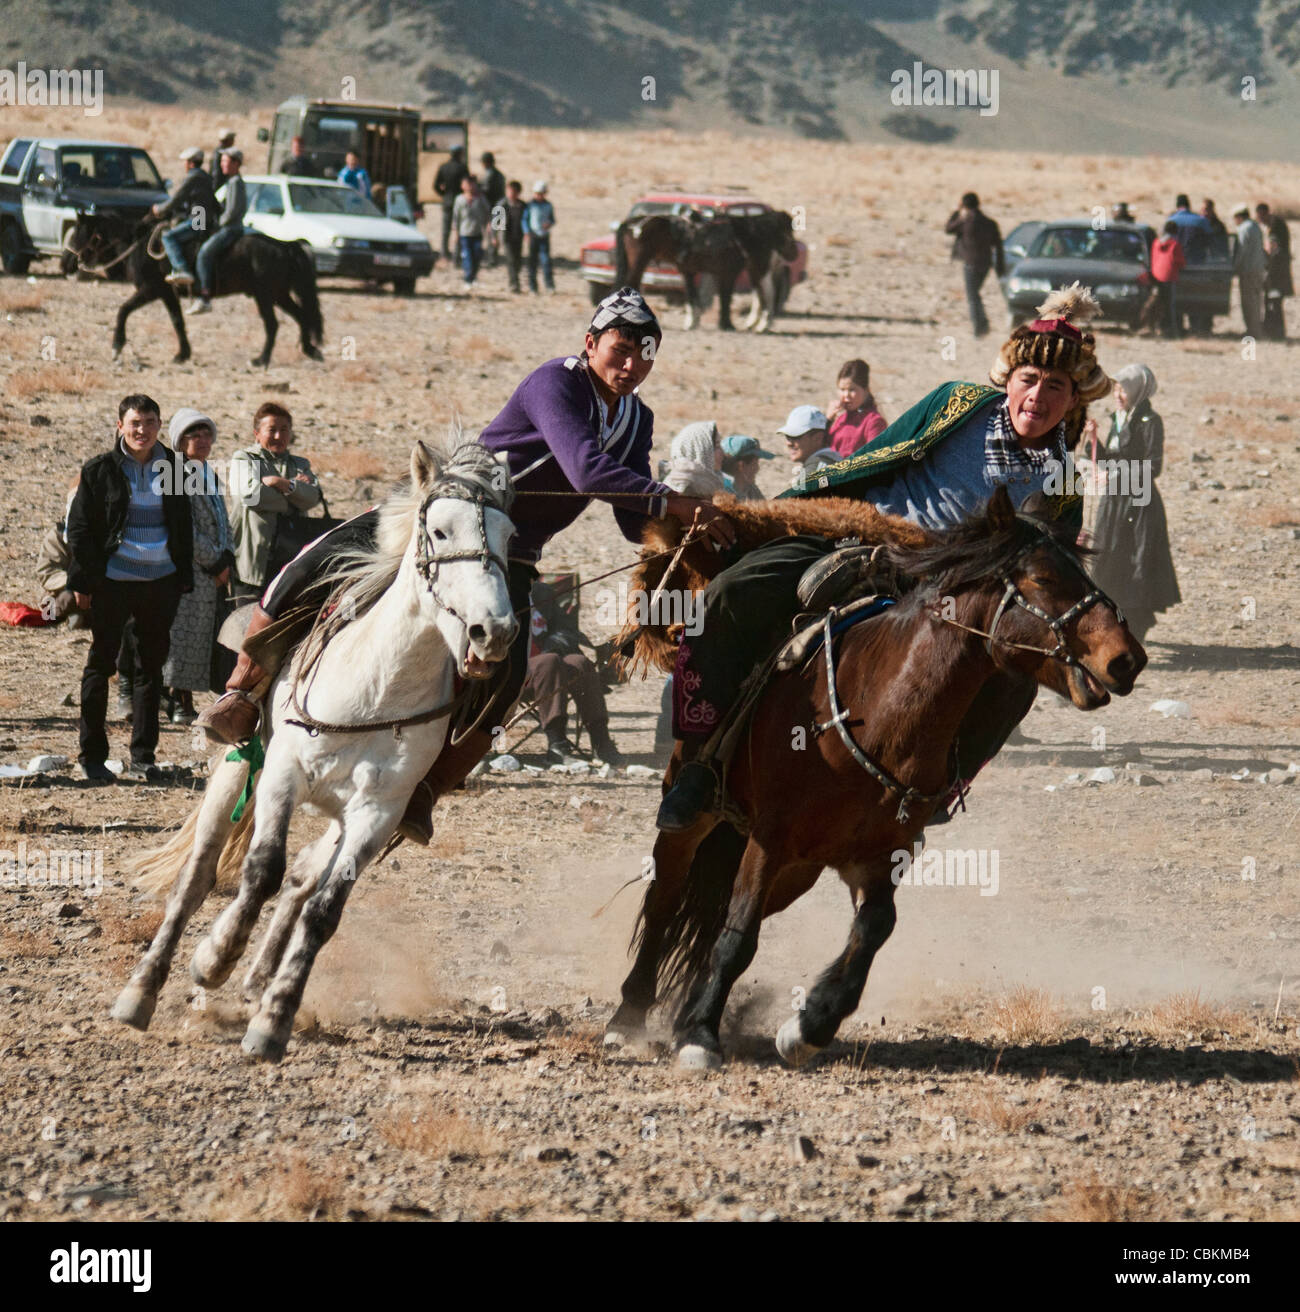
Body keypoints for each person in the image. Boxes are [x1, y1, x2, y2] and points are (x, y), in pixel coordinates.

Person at [195, 288, 733, 847]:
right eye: (621, 349)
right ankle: (241, 692)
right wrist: (671, 502)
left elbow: (629, 515)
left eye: (645, 354)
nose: (631, 364)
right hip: (449, 519)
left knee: (507, 679)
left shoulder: (636, 417)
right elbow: (585, 471)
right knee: (311, 566)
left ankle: (427, 788)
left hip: (511, 555)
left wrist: (676, 534)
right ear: (591, 342)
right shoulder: (556, 381)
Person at [656, 285, 1112, 831]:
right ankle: (697, 763)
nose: (1037, 396)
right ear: (1009, 381)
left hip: (953, 590)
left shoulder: (1061, 481)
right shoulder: (958, 404)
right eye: (1028, 380)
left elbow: (1045, 577)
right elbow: (878, 455)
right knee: (733, 591)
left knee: (1015, 688)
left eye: (1054, 386)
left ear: (1073, 399)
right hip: (865, 535)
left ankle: (939, 787)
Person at [67, 395, 193, 783]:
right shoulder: (98, 470)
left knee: (150, 670)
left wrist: (182, 577)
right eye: (135, 423)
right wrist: (83, 582)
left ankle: (143, 757)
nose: (143, 430)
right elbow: (80, 531)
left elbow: (181, 523)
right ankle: (91, 756)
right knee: (101, 664)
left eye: (151, 422)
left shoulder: (173, 467)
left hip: (160, 583)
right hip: (113, 583)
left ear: (159, 425)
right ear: (120, 425)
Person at [1084, 364, 1178, 644]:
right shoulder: (1118, 419)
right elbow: (1107, 460)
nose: (1117, 394)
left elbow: (1153, 467)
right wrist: (1093, 440)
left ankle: (1136, 625)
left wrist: (1114, 474)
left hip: (1139, 505)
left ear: (1138, 390)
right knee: (1107, 559)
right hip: (1114, 503)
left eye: (1123, 388)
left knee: (1137, 561)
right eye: (1116, 388)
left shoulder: (1151, 422)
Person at [162, 409, 234, 725]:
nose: (202, 440)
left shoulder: (208, 473)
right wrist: (214, 562)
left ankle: (183, 698)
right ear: (180, 440)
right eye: (194, 435)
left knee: (199, 637)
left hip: (214, 571)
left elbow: (223, 520)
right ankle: (177, 700)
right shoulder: (174, 472)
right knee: (182, 636)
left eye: (206, 434)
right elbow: (182, 528)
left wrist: (228, 559)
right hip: (190, 570)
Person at [226, 402, 321, 600]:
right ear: (257, 433)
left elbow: (313, 497)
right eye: (272, 430)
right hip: (251, 568)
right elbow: (251, 495)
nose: (278, 436)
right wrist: (295, 493)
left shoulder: (301, 464)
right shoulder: (244, 459)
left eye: (284, 430)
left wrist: (281, 484)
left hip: (290, 566)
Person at [525, 576, 623, 767]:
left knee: (580, 663)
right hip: (515, 670)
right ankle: (557, 744)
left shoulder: (542, 593)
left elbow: (566, 630)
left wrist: (553, 645)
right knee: (549, 662)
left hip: (549, 665)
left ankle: (601, 742)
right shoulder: (498, 594)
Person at [191, 148, 247, 315]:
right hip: (228, 226)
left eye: (226, 162)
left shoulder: (235, 182)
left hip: (231, 228)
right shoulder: (231, 181)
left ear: (236, 164)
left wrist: (218, 224)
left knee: (204, 254)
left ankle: (205, 295)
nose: (222, 165)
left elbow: (231, 211)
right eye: (221, 161)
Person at [155, 147, 218, 288]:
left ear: (190, 163)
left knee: (167, 237)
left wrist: (160, 209)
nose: (184, 165)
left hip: (197, 221)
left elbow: (177, 198)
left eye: (185, 162)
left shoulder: (193, 177)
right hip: (205, 219)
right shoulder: (205, 177)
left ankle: (181, 269)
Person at [945, 191, 1005, 337]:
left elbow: (948, 228)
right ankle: (983, 324)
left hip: (971, 264)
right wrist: (1000, 267)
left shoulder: (965, 222)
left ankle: (980, 329)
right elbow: (998, 246)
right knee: (975, 295)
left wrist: (957, 212)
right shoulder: (990, 223)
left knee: (972, 297)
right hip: (985, 264)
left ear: (964, 205)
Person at [826, 359, 887, 457]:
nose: (846, 395)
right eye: (842, 389)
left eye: (852, 390)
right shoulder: (840, 419)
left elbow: (875, 459)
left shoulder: (874, 422)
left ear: (866, 390)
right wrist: (828, 420)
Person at [1138, 220, 1185, 338]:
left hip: (1155, 277)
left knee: (1155, 303)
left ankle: (1150, 326)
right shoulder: (1175, 244)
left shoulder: (1156, 243)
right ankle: (1168, 330)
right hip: (1169, 278)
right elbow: (1180, 262)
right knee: (1169, 305)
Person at [1257, 203, 1292, 341]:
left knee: (1274, 301)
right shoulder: (1273, 225)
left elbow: (1273, 251)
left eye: (1261, 217)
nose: (1260, 220)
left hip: (1276, 274)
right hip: (1274, 272)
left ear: (1265, 213)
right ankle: (1272, 331)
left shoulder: (1276, 228)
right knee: (1271, 301)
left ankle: (1276, 333)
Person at [661, 421, 726, 497]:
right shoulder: (682, 486)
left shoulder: (712, 480)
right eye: (717, 446)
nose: (723, 453)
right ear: (702, 449)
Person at [1232, 203, 1267, 340]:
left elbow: (1242, 251)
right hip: (1259, 269)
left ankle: (1252, 331)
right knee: (1257, 301)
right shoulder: (1255, 227)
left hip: (1248, 271)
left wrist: (1235, 267)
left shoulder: (1244, 229)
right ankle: (1256, 329)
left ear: (1239, 217)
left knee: (1248, 302)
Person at [778, 406, 837, 484]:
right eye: (787, 437)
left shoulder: (815, 472)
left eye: (795, 436)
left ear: (818, 438)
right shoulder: (826, 463)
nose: (789, 443)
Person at [452, 175, 490, 288]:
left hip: (477, 232)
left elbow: (488, 212)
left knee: (477, 255)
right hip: (464, 233)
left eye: (471, 184)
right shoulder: (459, 199)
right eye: (466, 184)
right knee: (467, 256)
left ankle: (474, 277)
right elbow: (456, 217)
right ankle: (467, 278)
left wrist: (489, 225)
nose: (469, 186)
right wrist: (455, 232)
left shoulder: (480, 198)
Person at [434, 145, 470, 259]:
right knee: (459, 228)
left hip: (447, 201)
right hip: (460, 202)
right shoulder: (462, 168)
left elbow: (435, 185)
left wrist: (443, 194)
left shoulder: (443, 167)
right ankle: (457, 253)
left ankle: (444, 252)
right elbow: (467, 185)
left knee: (446, 229)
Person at [495, 179, 526, 294]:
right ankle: (514, 284)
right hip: (506, 238)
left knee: (518, 261)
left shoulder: (523, 205)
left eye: (513, 191)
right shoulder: (501, 205)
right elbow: (495, 223)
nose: (510, 194)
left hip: (518, 236)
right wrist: (495, 237)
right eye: (508, 191)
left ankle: (514, 280)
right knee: (511, 260)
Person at [720, 434, 773, 502]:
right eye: (755, 463)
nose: (757, 468)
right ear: (741, 466)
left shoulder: (751, 489)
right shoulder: (721, 495)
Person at [526, 181, 556, 294]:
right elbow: (525, 220)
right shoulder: (530, 205)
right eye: (537, 193)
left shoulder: (548, 205)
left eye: (542, 193)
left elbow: (552, 219)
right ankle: (532, 286)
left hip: (544, 236)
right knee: (532, 262)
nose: (539, 196)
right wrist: (527, 232)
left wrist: (549, 223)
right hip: (533, 236)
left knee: (546, 261)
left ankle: (549, 285)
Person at [1166, 193, 1211, 260]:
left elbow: (1165, 240)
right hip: (1197, 260)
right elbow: (1211, 239)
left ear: (1177, 206)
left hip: (1176, 260)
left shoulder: (1169, 221)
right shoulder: (1202, 220)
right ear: (1189, 205)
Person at [479, 151, 506, 266]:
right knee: (495, 233)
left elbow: (486, 191)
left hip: (492, 208)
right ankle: (493, 256)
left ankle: (492, 258)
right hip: (500, 207)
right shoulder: (499, 175)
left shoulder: (489, 175)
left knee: (491, 234)